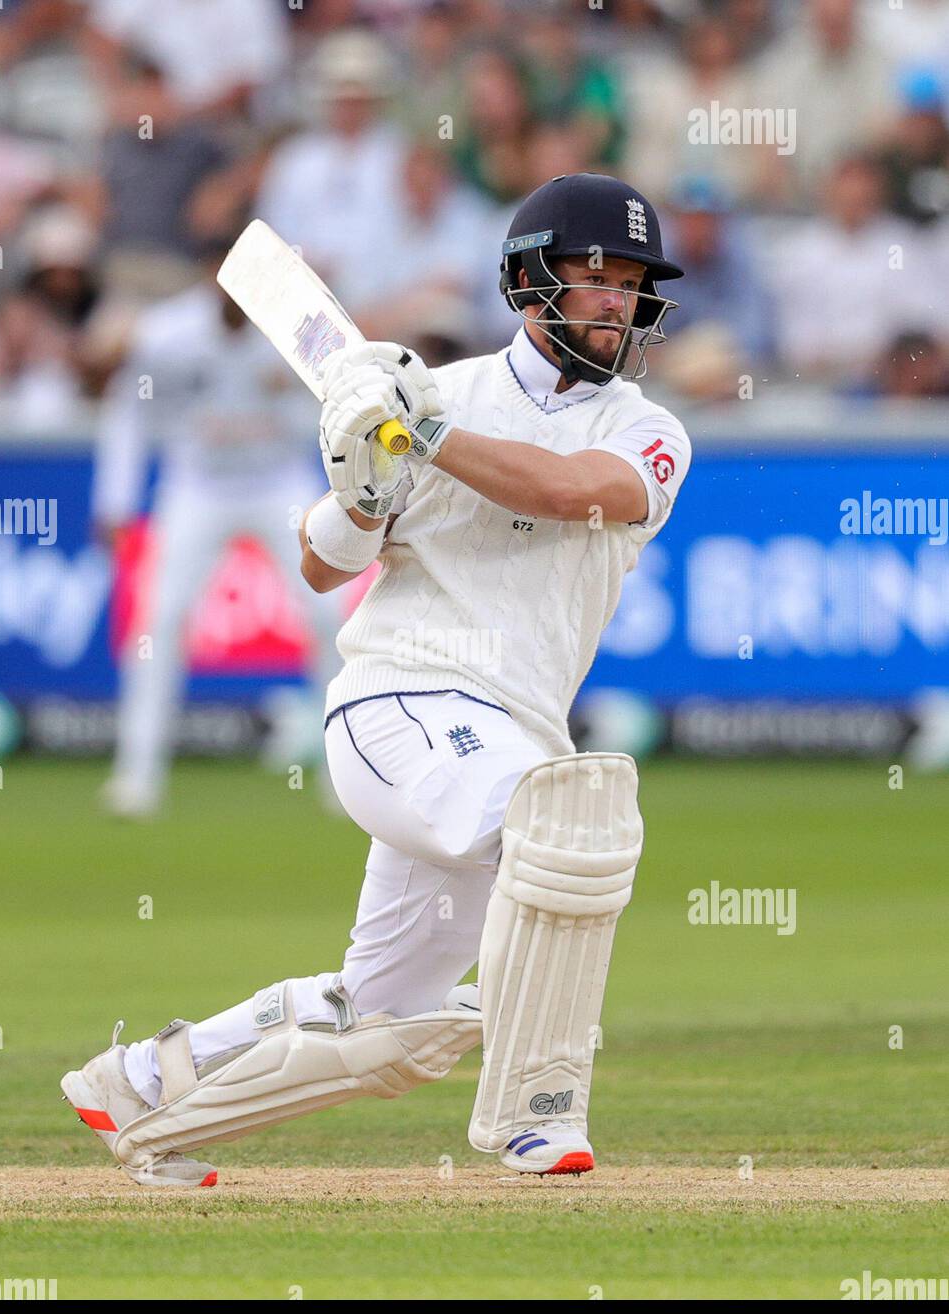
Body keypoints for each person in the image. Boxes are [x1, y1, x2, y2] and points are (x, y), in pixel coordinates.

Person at [63, 173, 691, 1186]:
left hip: (514, 731)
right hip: (400, 706)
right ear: (531, 282)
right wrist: (362, 490)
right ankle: (537, 1112)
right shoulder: (432, 395)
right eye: (592, 274)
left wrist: (424, 437)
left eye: (630, 280)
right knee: (566, 827)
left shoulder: (643, 431)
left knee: (378, 1019)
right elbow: (322, 563)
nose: (615, 298)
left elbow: (577, 493)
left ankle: (140, 1087)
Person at [93, 240, 342, 818]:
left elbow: (339, 405)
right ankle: (137, 777)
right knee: (158, 620)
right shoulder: (165, 333)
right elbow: (128, 412)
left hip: (278, 481)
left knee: (327, 617)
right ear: (210, 276)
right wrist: (116, 500)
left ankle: (345, 776)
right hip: (197, 485)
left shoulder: (298, 330)